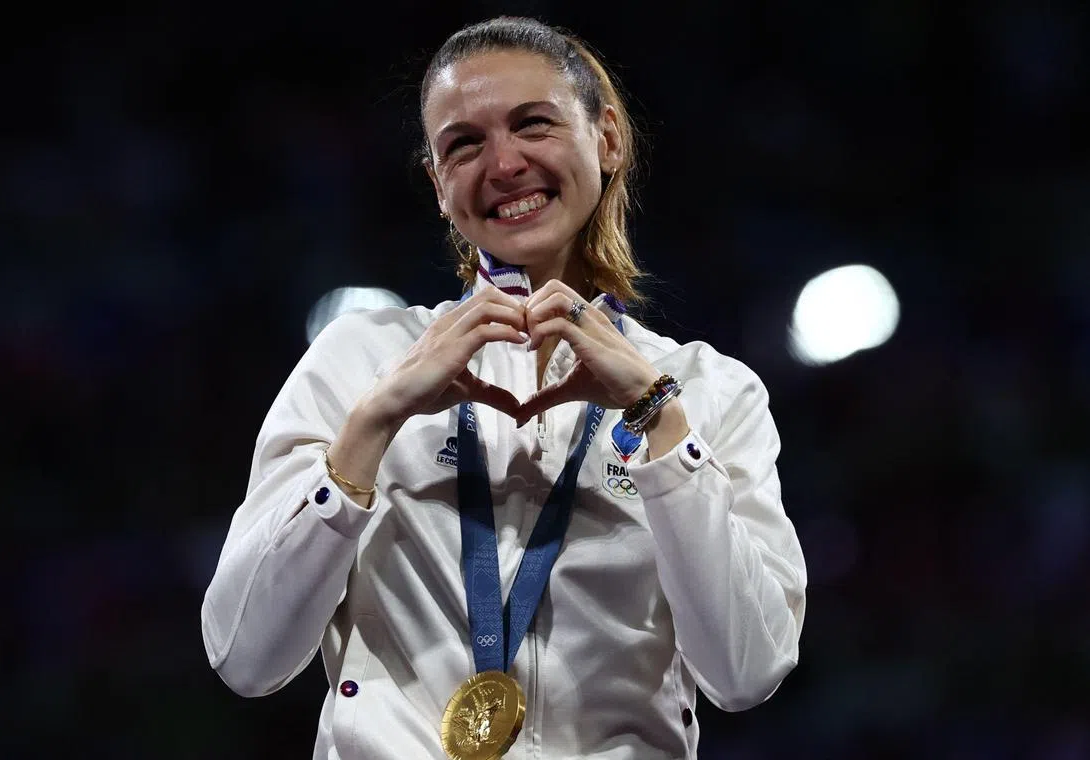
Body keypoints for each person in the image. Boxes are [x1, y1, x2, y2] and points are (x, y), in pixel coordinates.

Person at [201, 15, 807, 760]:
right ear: (437, 182)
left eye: (534, 125)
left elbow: (745, 670)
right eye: (464, 144)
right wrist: (375, 421)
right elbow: (247, 657)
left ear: (607, 138)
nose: (505, 163)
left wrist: (657, 415)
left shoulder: (712, 393)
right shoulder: (360, 361)